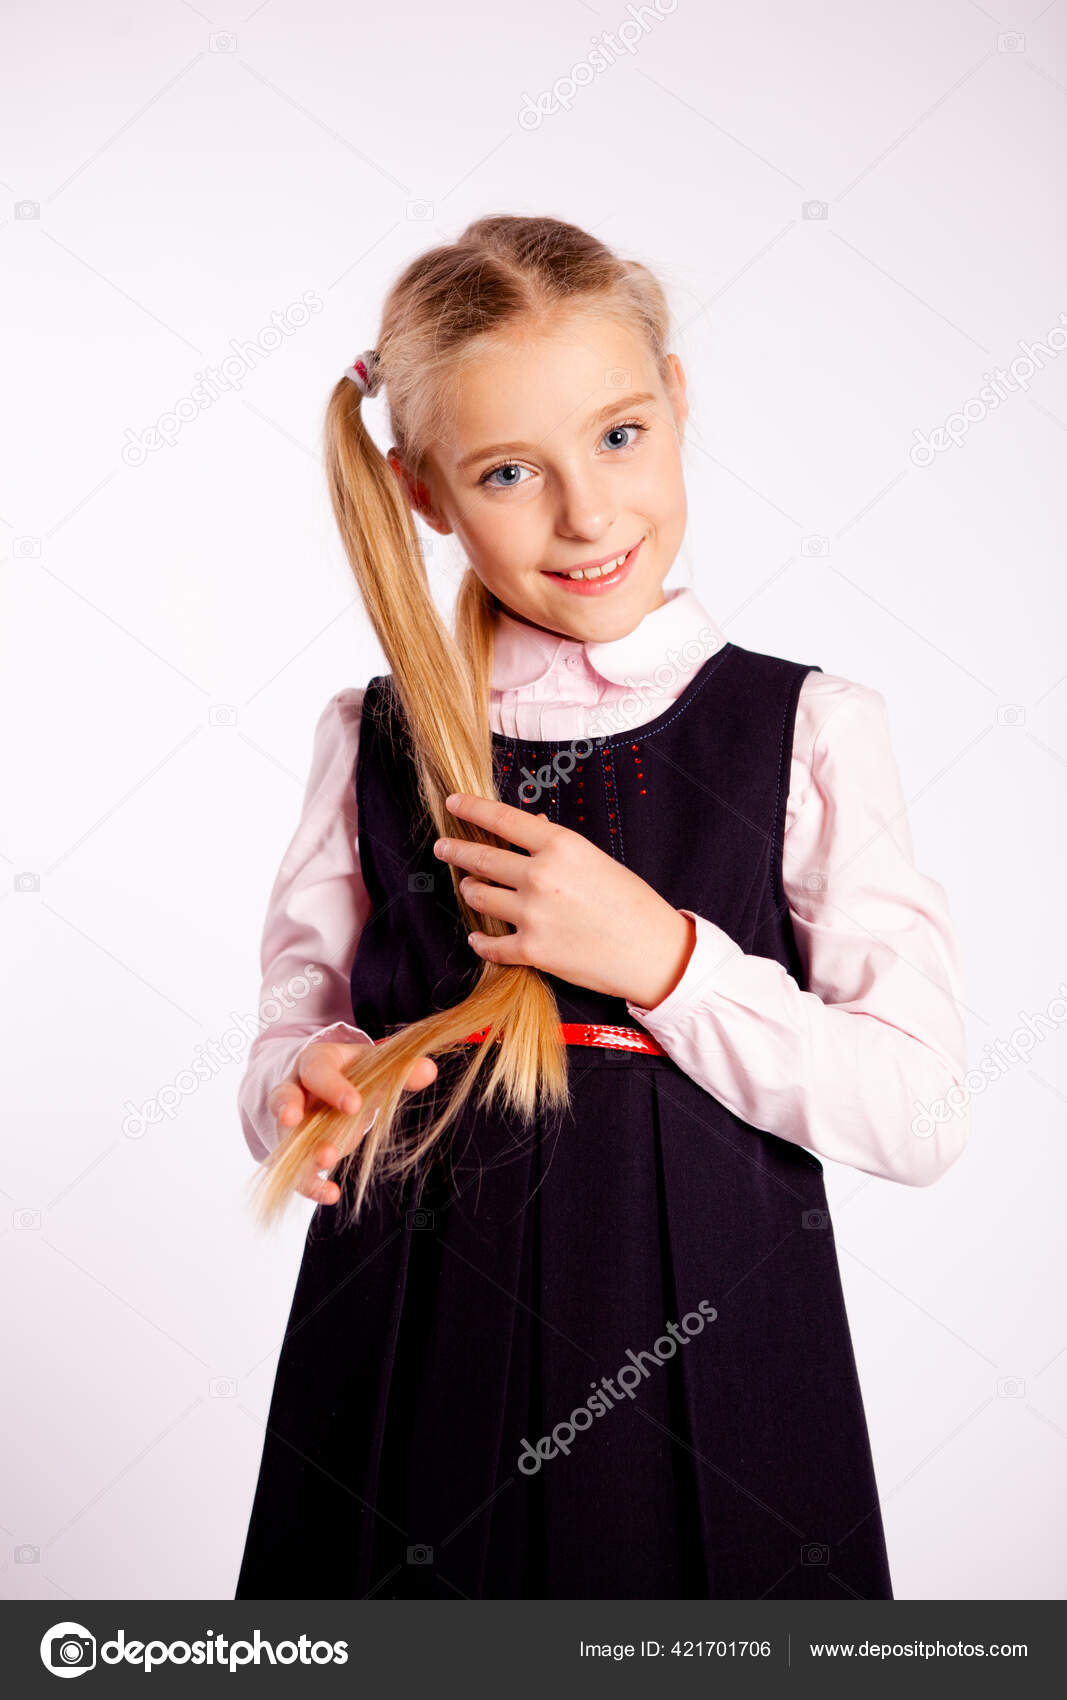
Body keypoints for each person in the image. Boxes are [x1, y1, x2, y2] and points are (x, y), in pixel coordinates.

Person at [234, 214, 970, 1602]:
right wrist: (300, 1075)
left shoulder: (807, 728)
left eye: (621, 436)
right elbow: (296, 1018)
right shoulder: (368, 736)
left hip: (721, 1364)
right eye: (511, 471)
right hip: (404, 1350)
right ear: (426, 493)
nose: (586, 514)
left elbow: (923, 1114)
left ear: (679, 402)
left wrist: (668, 960)